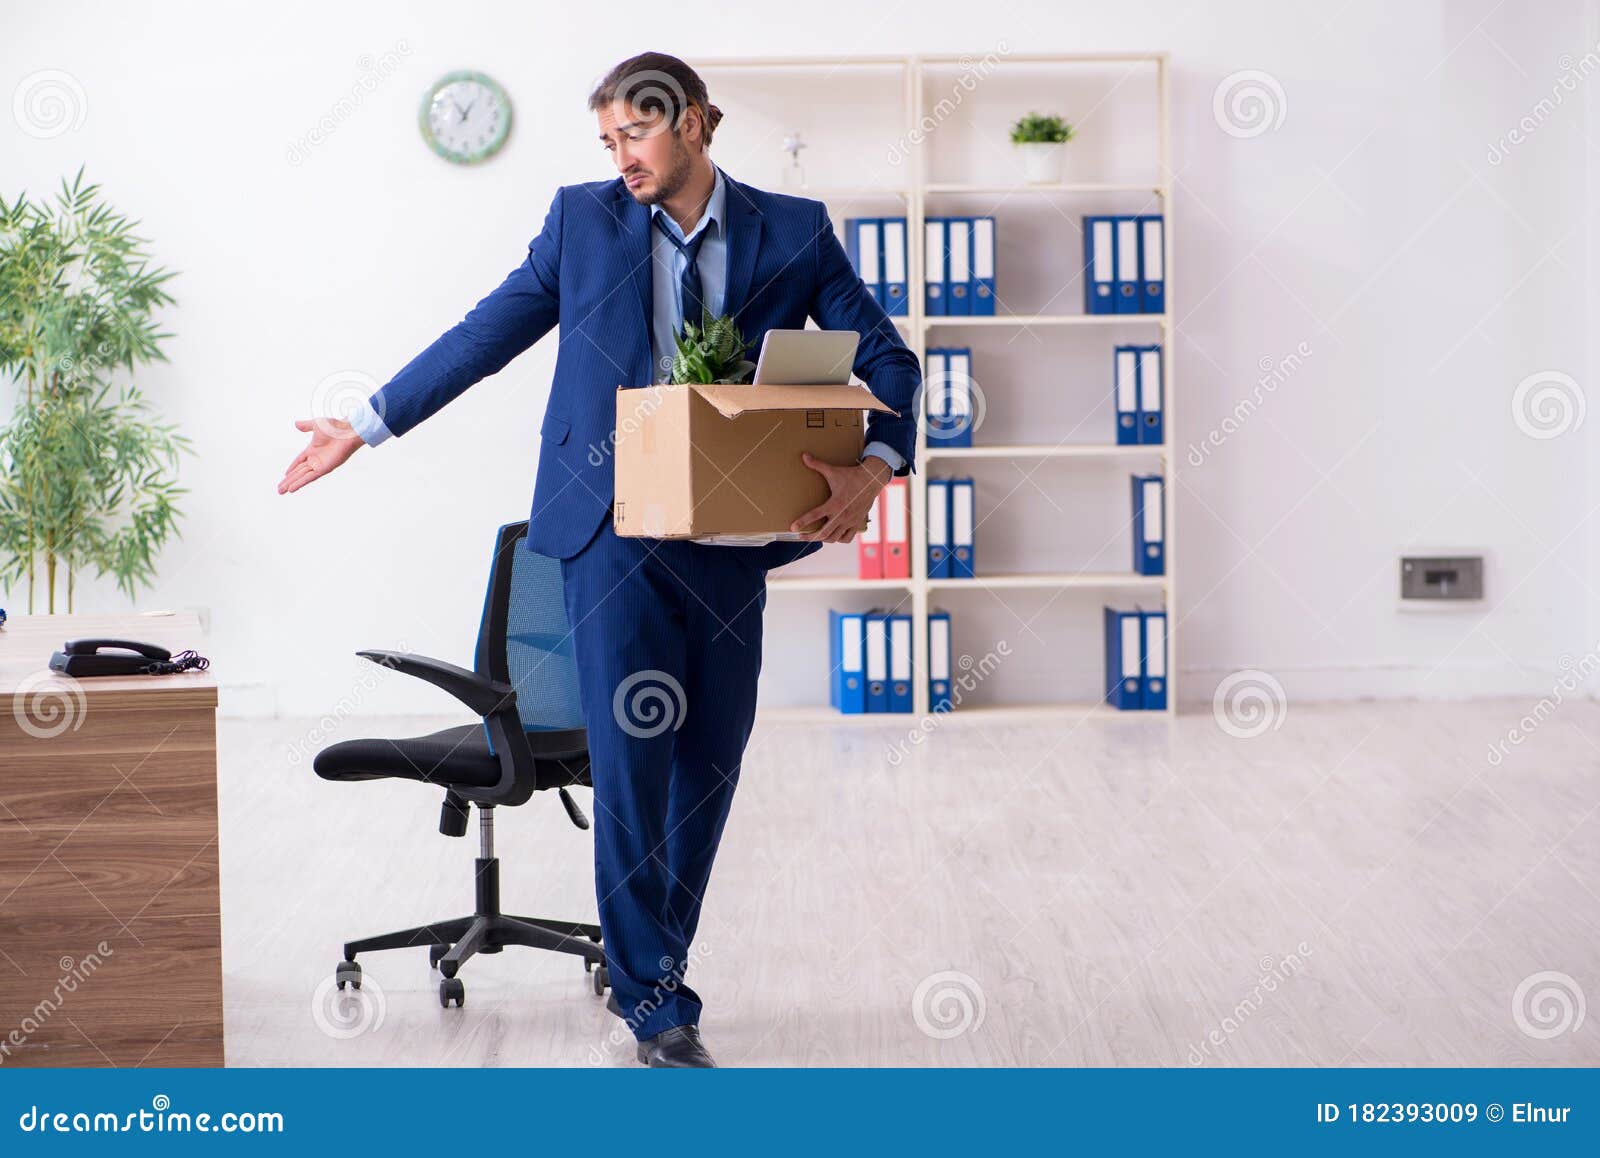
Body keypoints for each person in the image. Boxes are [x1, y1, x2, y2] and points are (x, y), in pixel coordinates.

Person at [278, 50, 920, 1067]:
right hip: (608, 539)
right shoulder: (581, 223)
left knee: (707, 767)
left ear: (698, 124)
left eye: (640, 132)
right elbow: (483, 335)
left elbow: (887, 361)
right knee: (631, 767)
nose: (622, 154)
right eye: (609, 137)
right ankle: (655, 999)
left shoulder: (791, 232)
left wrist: (876, 466)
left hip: (731, 542)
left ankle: (653, 964)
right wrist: (365, 424)